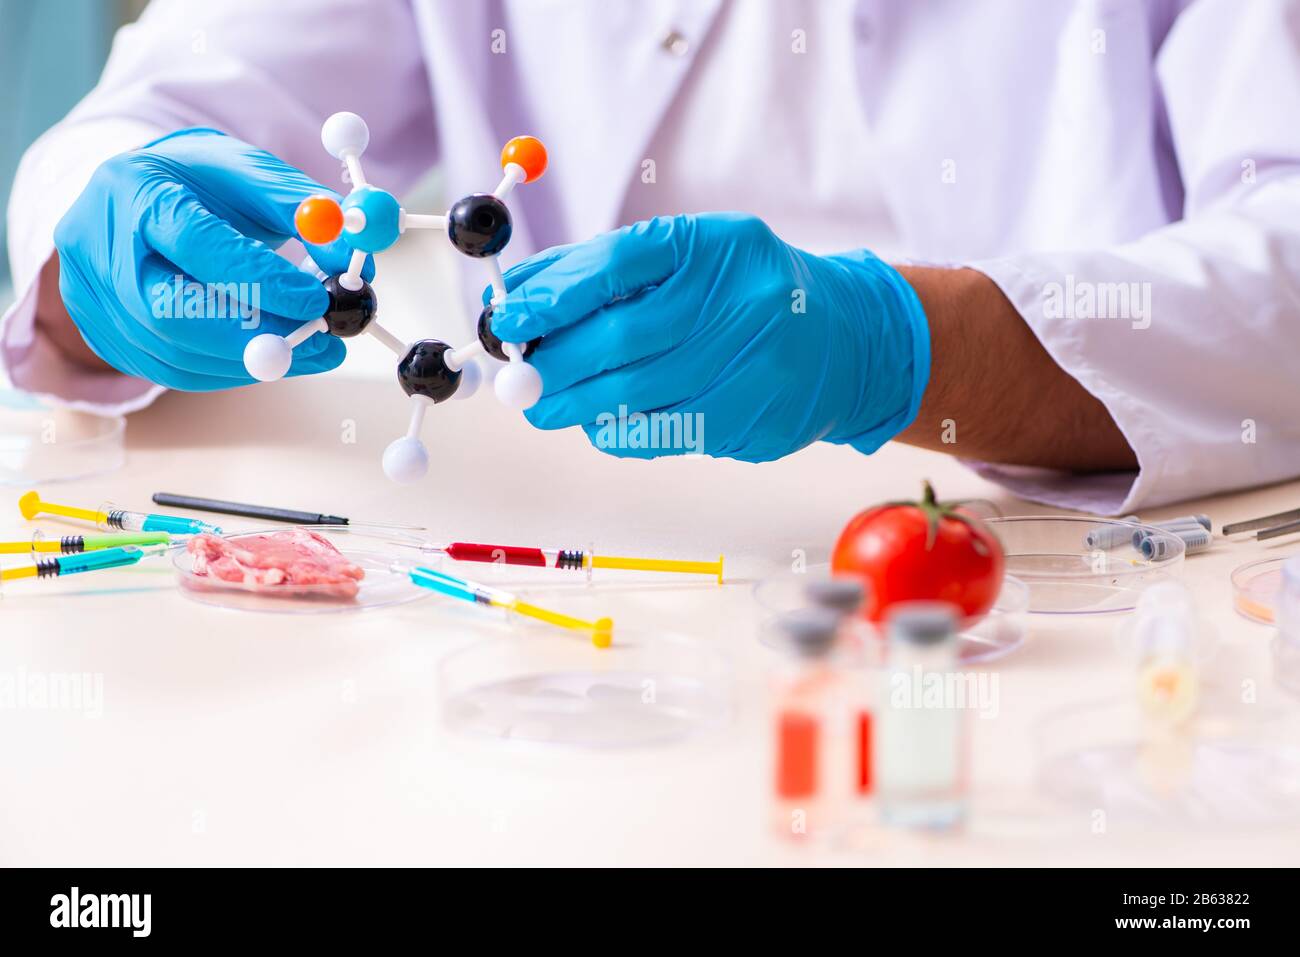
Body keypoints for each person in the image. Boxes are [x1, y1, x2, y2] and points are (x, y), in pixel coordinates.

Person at [5, 0, 1298, 513]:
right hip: (572, 577)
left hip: (1063, 596)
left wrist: (904, 349)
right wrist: (97, 254)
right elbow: (159, 115)